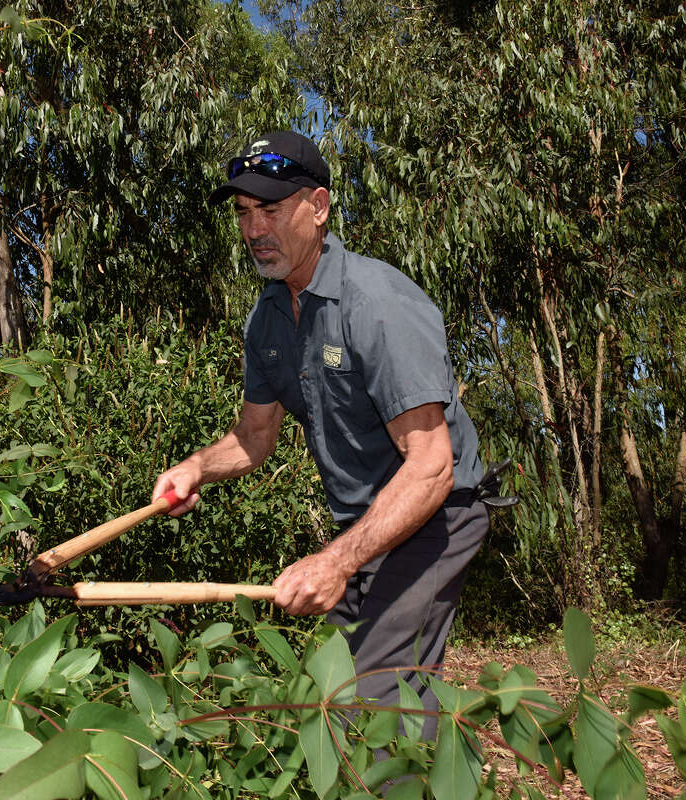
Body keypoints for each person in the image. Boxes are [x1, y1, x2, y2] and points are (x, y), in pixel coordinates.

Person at [151, 130, 490, 739]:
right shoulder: (269, 319)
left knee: (381, 693)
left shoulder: (377, 303)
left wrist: (335, 562)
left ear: (320, 206)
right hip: (365, 524)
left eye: (272, 210)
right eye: (244, 213)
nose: (255, 229)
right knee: (328, 692)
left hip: (436, 513)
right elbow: (254, 436)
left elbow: (432, 465)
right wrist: (196, 467)